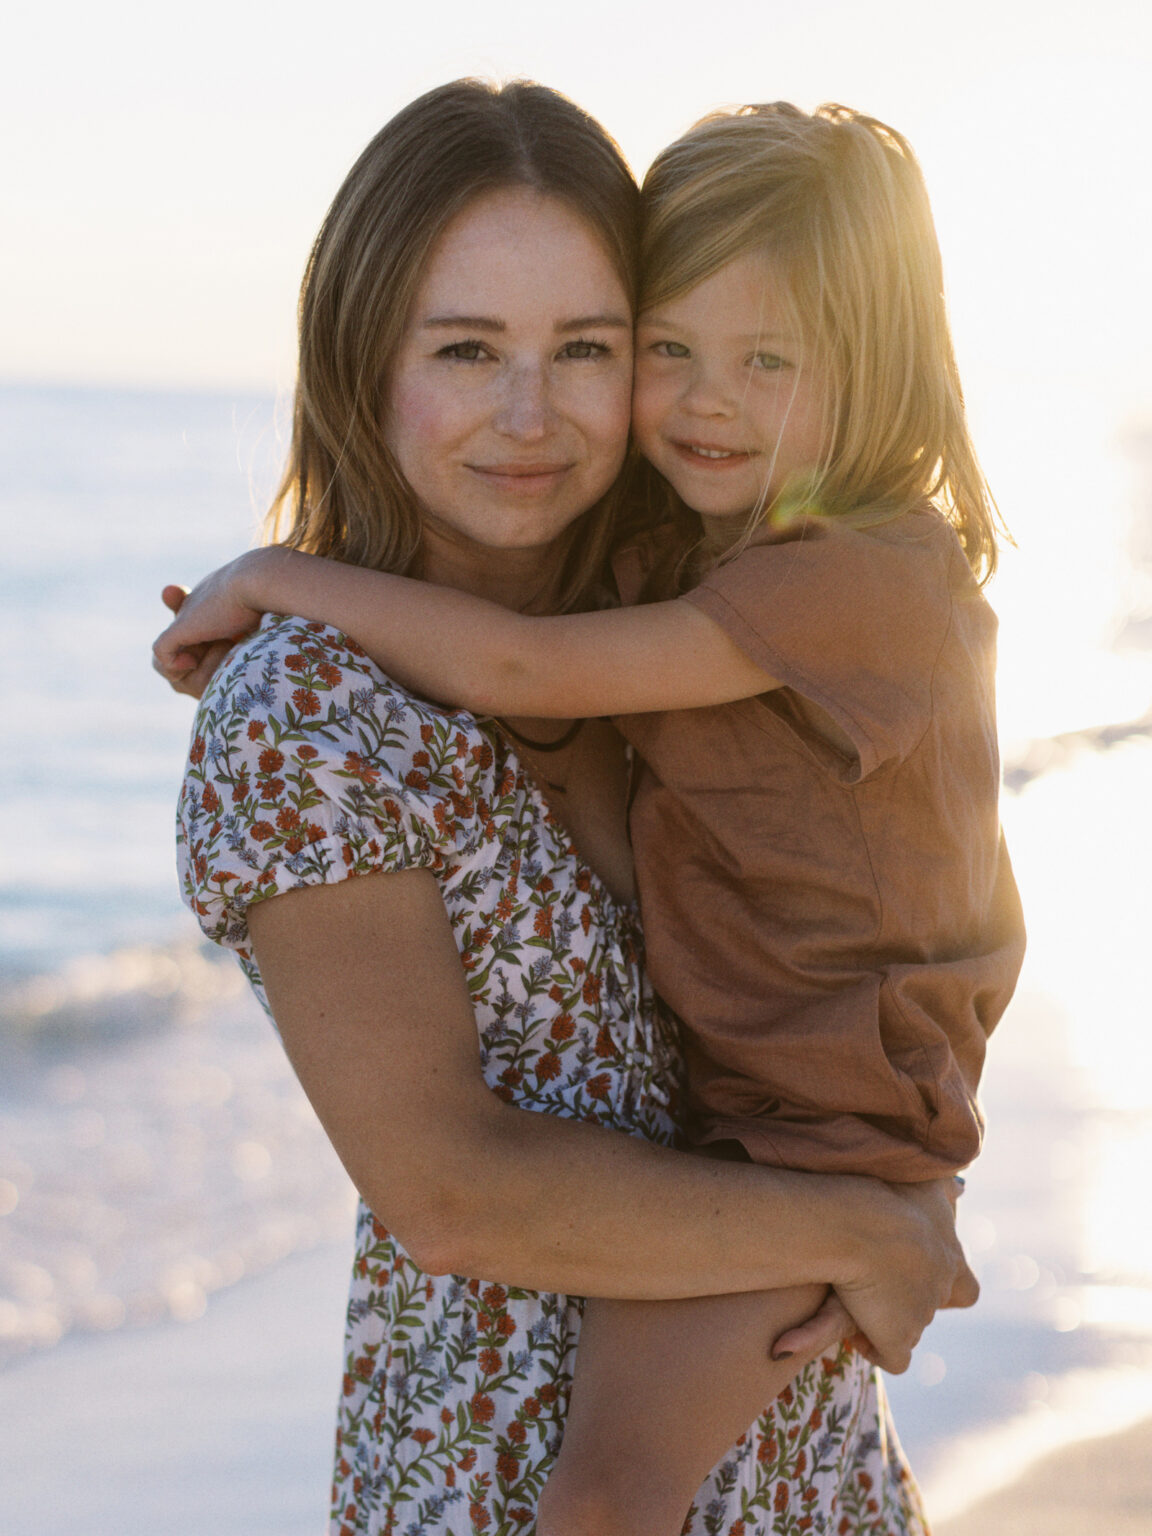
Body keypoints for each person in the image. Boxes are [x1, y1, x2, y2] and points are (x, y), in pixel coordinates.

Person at [160, 83, 979, 1536]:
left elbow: (917, 903)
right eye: (468, 349)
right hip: (512, 1478)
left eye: (589, 350)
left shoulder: (689, 611)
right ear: (363, 363)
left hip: (812, 1466)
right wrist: (870, 1223)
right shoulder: (313, 709)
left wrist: (906, 1152)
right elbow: (453, 1191)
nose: (531, 416)